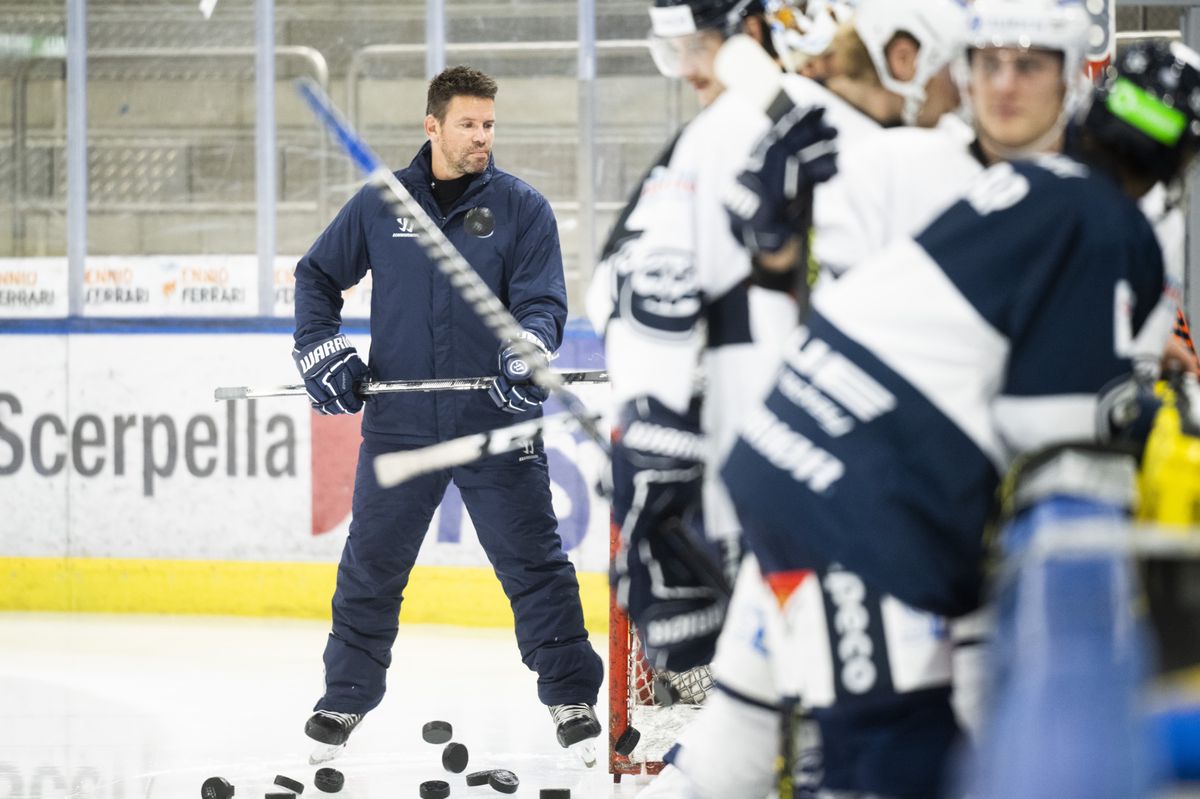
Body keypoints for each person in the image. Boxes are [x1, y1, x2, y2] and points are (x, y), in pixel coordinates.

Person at [719, 38, 1200, 797]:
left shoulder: (1034, 181)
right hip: (858, 494)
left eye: (1030, 65)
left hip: (806, 454)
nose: (1006, 85)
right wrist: (1130, 417)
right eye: (992, 64)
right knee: (888, 755)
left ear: (1084, 98)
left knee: (769, 753)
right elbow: (1056, 430)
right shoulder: (1107, 223)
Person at [291, 65, 604, 766]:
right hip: (400, 424)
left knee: (534, 563)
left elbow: (542, 305)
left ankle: (571, 695)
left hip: (494, 420)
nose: (481, 137)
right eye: (468, 124)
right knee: (370, 565)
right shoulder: (380, 203)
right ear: (431, 125)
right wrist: (318, 347)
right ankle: (345, 694)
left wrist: (527, 351)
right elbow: (316, 275)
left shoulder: (523, 208)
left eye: (489, 125)